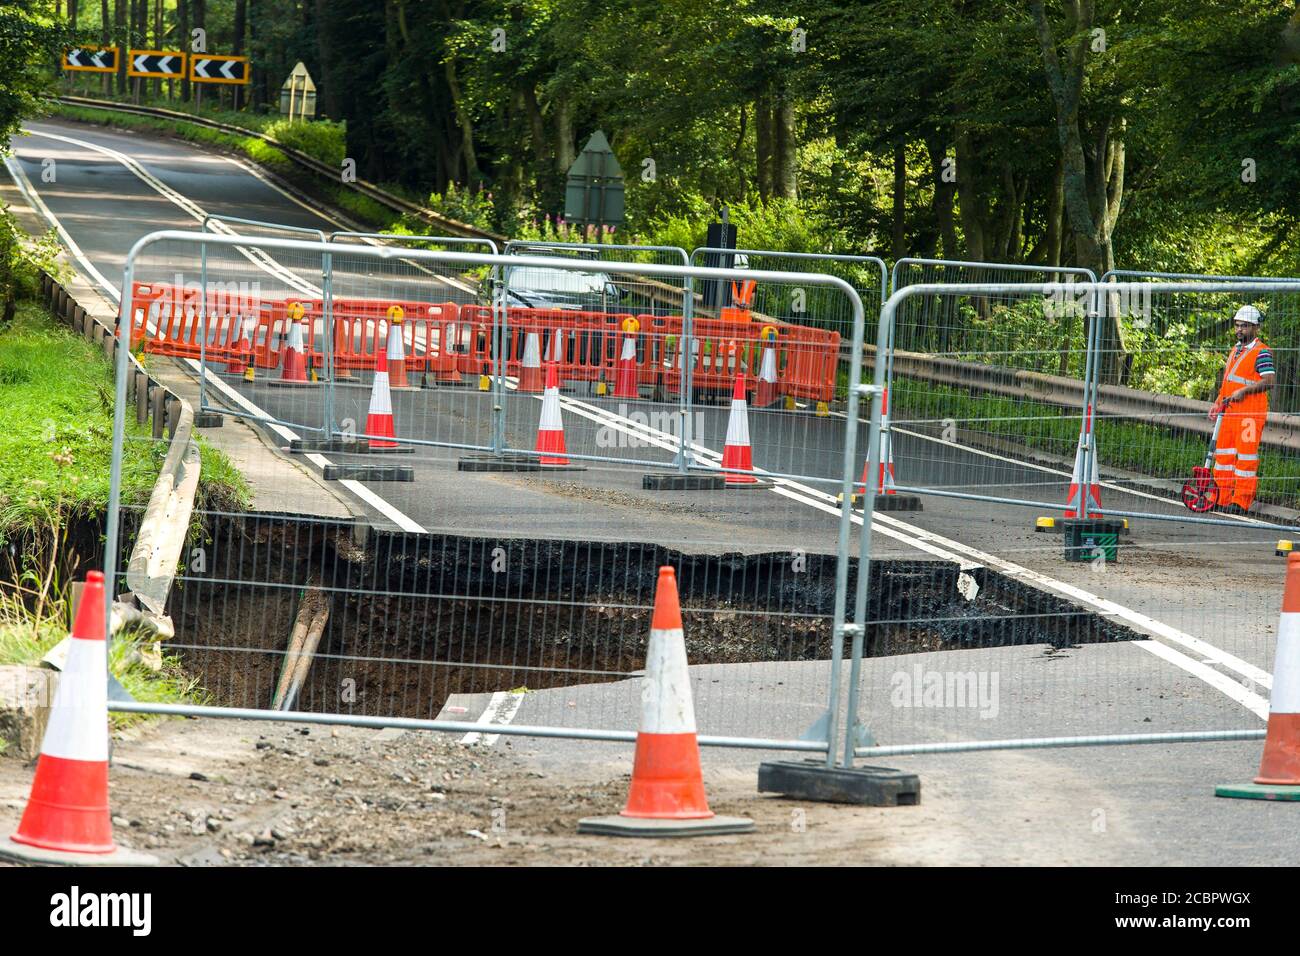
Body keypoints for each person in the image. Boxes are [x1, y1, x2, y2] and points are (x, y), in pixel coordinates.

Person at [1207, 304, 1274, 515]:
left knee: (1245, 458)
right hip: (1229, 412)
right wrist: (1218, 403)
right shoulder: (1235, 350)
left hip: (1249, 415)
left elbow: (1269, 381)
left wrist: (1244, 391)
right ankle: (1221, 497)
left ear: (1256, 328)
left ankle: (1241, 501)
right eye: (1237, 325)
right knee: (1224, 457)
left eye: (1244, 326)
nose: (1239, 330)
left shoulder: (1262, 352)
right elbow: (1228, 382)